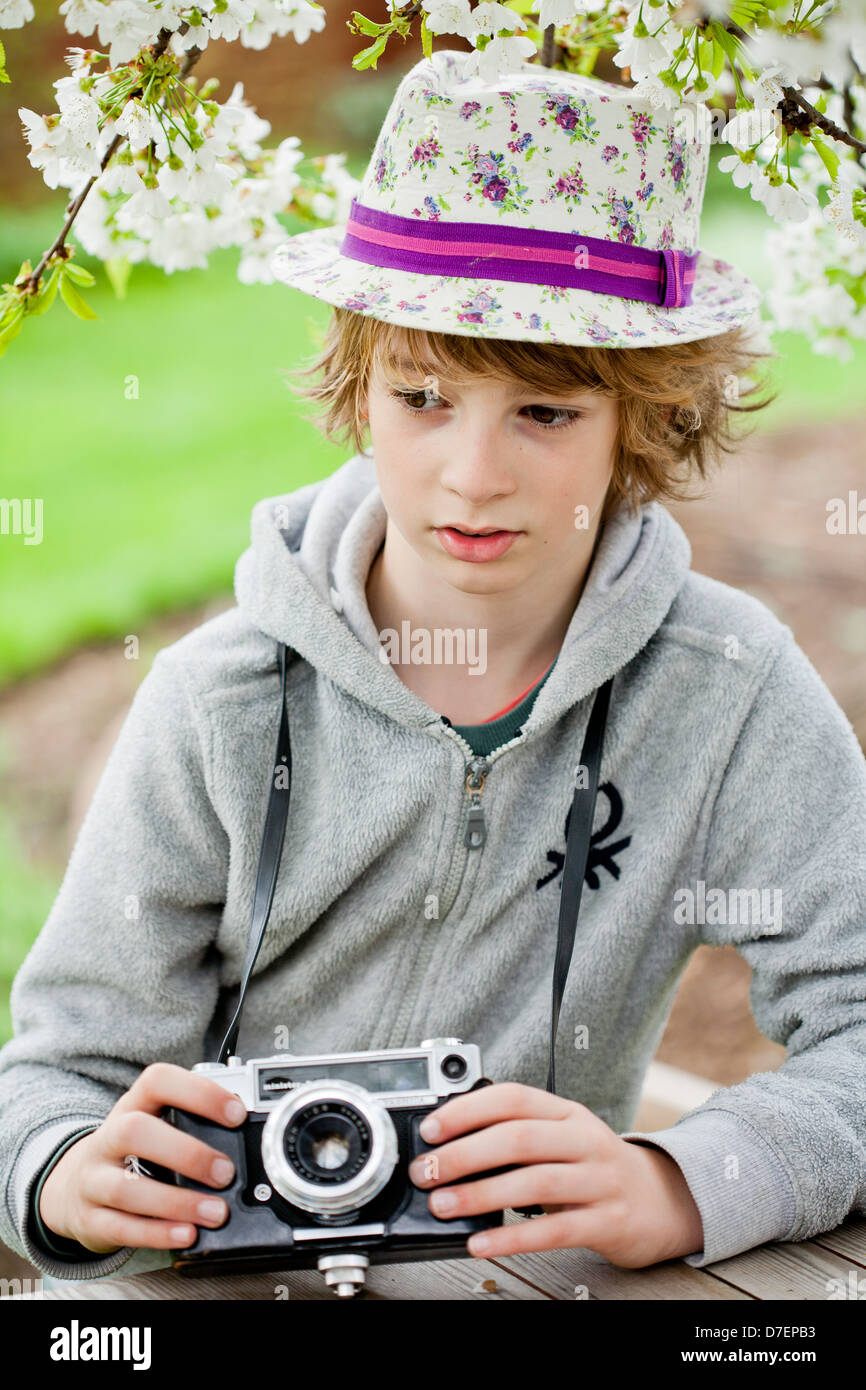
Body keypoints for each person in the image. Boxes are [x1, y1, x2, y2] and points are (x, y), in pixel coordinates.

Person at [1, 47, 864, 1292]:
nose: (471, 474)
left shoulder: (725, 695)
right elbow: (58, 1070)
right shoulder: (217, 701)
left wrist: (680, 1180)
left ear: (649, 416)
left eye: (545, 413)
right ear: (356, 389)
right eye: (422, 396)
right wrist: (64, 1171)